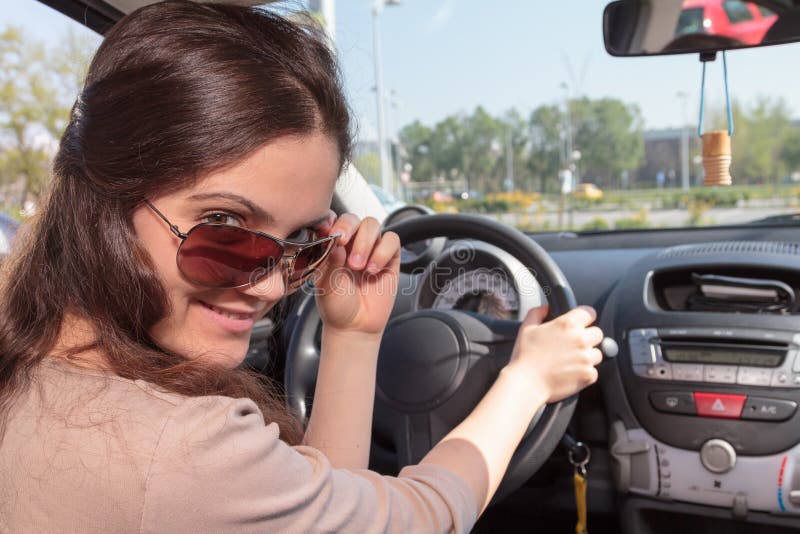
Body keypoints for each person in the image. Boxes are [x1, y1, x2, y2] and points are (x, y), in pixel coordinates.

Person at [0, 2, 603, 532]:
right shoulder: (179, 448)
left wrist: (354, 334)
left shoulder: (35, 370)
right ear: (102, 201)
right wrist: (528, 381)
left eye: (303, 242)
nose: (269, 285)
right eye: (227, 228)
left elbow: (325, 504)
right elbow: (426, 517)